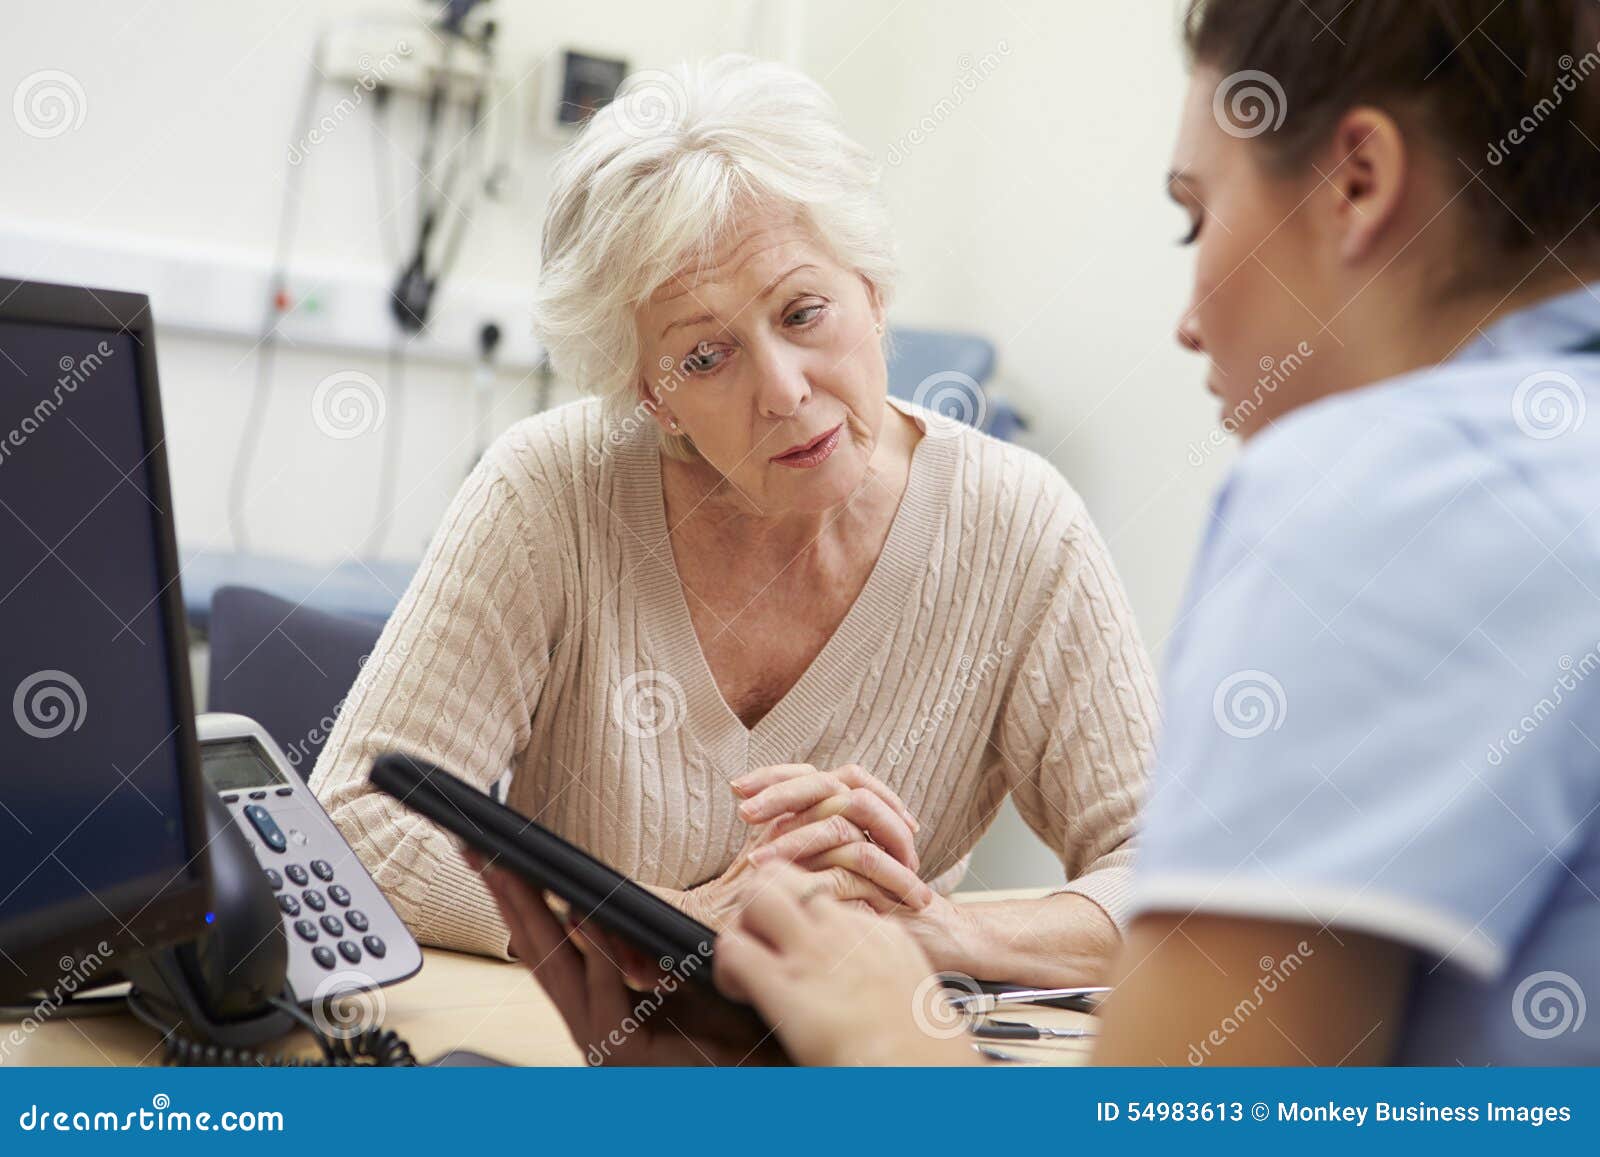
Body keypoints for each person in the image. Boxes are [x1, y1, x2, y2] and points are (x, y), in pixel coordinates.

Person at [482, 0, 1600, 1066]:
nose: (1187, 314)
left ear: (1356, 182)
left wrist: (883, 1020)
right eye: (704, 354)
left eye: (1192, 215)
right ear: (648, 393)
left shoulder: (1376, 491)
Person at [311, 55, 1159, 988]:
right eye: (707, 357)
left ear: (872, 296)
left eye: (805, 312)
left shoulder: (1020, 526)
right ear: (653, 396)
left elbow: (1178, 885)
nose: (785, 391)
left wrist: (935, 934)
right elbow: (356, 820)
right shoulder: (551, 492)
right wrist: (661, 928)